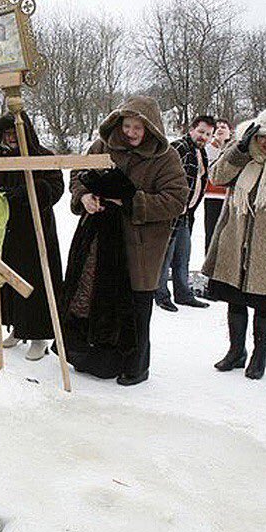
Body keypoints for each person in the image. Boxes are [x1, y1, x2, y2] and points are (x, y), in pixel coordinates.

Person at [66, 95, 188, 386]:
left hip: (140, 244)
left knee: (136, 307)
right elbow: (78, 174)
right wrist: (85, 196)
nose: (131, 132)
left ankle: (136, 366)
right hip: (99, 240)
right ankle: (88, 357)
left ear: (151, 129)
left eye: (137, 128)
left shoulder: (165, 157)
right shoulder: (102, 146)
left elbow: (176, 199)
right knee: (92, 299)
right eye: (127, 126)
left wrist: (131, 202)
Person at [203, 106, 266, 380]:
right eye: (263, 137)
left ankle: (259, 355)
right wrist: (240, 150)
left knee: (262, 302)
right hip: (235, 237)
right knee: (235, 298)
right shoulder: (242, 153)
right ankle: (236, 351)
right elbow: (217, 176)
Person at [0, 112, 64, 361]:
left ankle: (39, 336)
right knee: (8, 281)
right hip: (5, 232)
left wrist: (24, 193)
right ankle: (18, 328)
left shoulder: (41, 156)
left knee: (35, 282)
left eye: (15, 133)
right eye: (6, 134)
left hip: (34, 232)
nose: (11, 138)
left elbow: (55, 189)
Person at [155, 115, 215, 311]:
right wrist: (171, 201)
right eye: (201, 132)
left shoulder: (201, 152)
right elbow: (164, 175)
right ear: (192, 130)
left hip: (187, 212)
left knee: (183, 255)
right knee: (165, 255)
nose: (203, 137)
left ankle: (183, 293)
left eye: (208, 134)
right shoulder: (179, 147)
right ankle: (161, 294)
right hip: (171, 211)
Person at [203, 118, 233, 251]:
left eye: (224, 127)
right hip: (212, 196)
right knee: (211, 233)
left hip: (230, 197)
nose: (220, 129)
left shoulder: (234, 149)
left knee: (228, 233)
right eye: (218, 127)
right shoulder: (207, 149)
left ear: (230, 131)